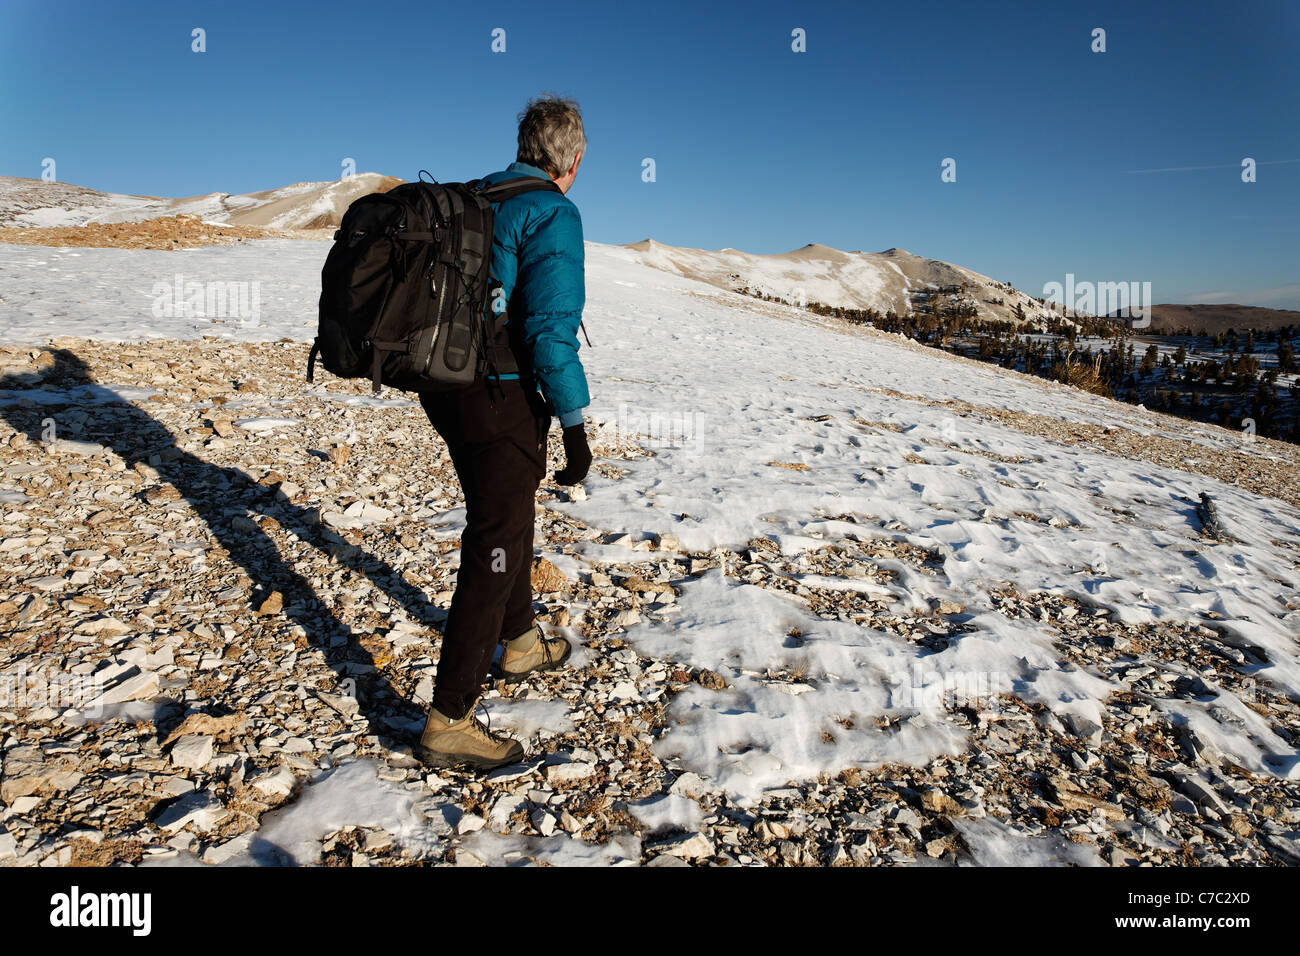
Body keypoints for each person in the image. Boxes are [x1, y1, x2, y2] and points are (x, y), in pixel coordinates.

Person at [414, 95, 592, 771]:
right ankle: (449, 717)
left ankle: (519, 639)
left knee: (507, 512)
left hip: (444, 388)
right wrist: (575, 425)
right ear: (573, 160)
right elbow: (548, 332)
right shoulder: (551, 210)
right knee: (493, 538)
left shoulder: (474, 196)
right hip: (499, 396)